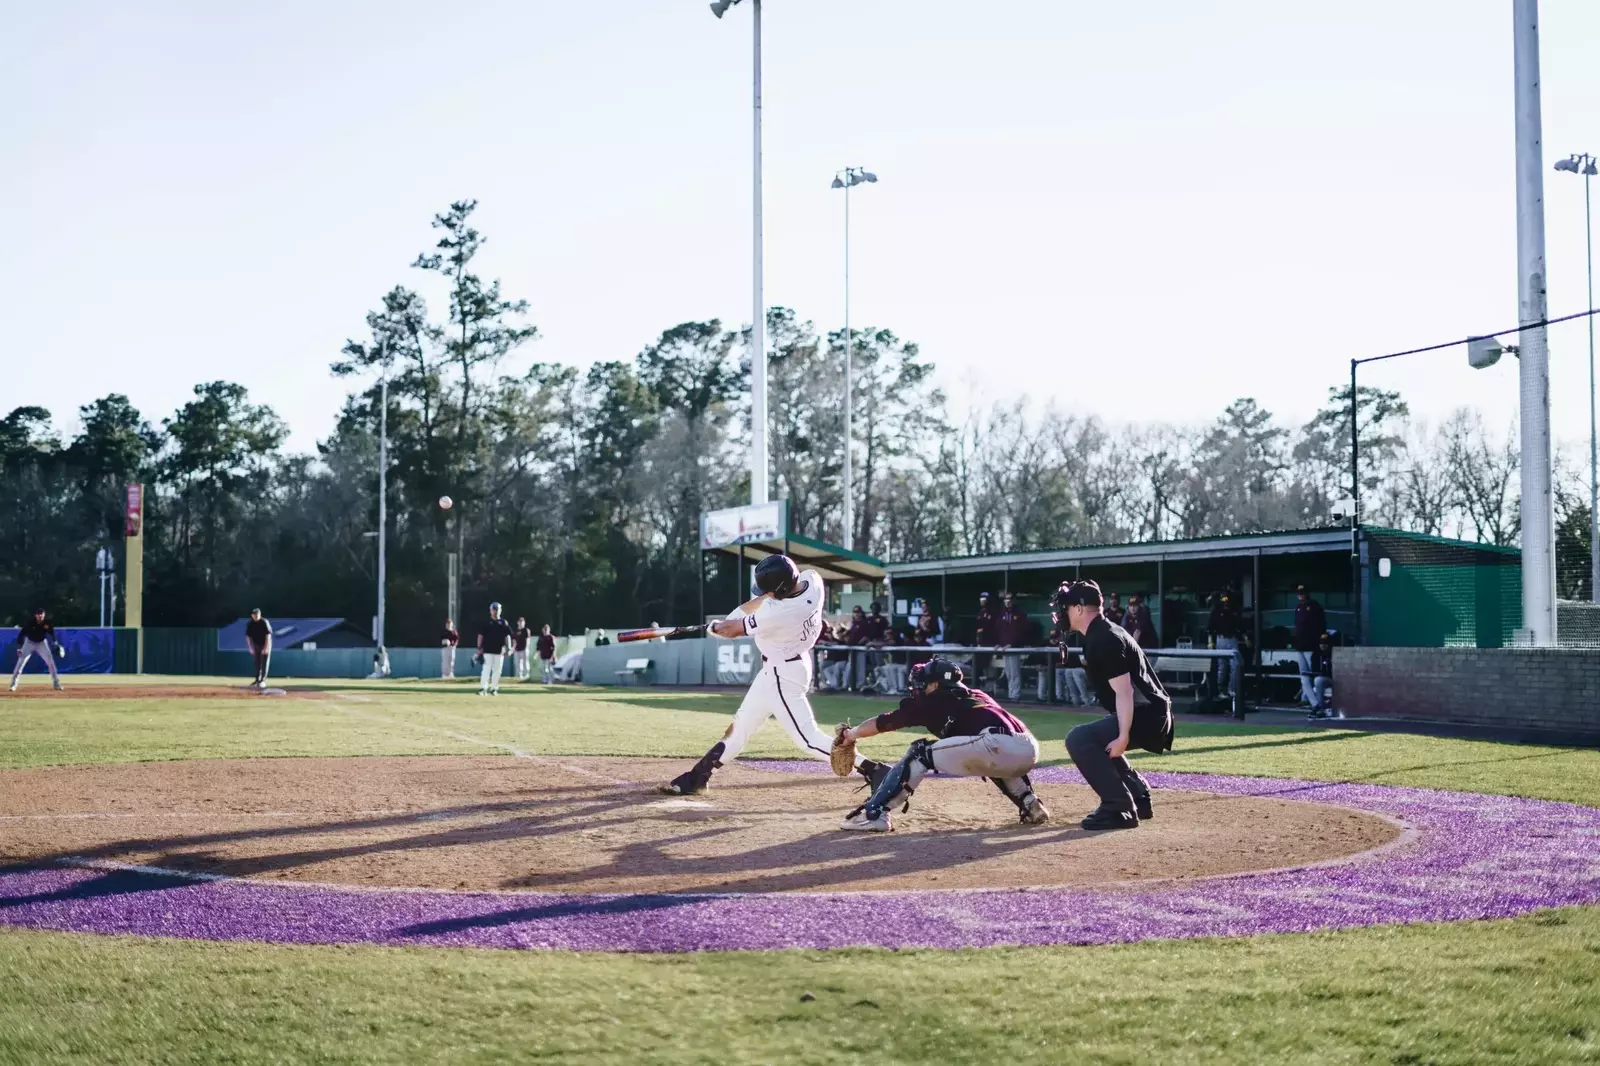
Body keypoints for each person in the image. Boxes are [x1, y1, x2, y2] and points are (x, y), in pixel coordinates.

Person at [658, 554, 889, 796]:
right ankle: (698, 776)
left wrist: (716, 628)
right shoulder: (813, 580)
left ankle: (873, 770)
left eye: (769, 590)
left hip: (783, 674)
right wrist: (733, 617)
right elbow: (758, 603)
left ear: (780, 589)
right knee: (741, 726)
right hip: (785, 666)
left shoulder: (780, 613)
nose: (765, 594)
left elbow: (732, 630)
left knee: (807, 739)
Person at [836, 657, 1049, 831]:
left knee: (920, 753)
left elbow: (882, 723)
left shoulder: (931, 701)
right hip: (1028, 748)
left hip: (995, 744)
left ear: (935, 684)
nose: (917, 688)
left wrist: (851, 734)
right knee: (990, 757)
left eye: (922, 683)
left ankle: (875, 814)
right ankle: (1030, 803)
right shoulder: (977, 695)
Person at [1055, 579, 1174, 831]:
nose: (1062, 613)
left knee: (1079, 739)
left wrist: (1122, 736)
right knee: (1095, 739)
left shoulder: (1104, 638)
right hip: (1150, 712)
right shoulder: (1101, 632)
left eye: (1066, 607)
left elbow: (1124, 693)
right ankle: (1138, 796)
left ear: (1079, 608)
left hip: (1148, 715)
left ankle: (1119, 807)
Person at [10, 607, 64, 692]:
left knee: (51, 663)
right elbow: (21, 634)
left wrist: (55, 643)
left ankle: (56, 684)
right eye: (38, 614)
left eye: (41, 614)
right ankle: (13, 685)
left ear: (44, 615)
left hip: (42, 643)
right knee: (20, 663)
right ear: (35, 615)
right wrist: (19, 648)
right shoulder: (30, 623)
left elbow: (52, 633)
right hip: (29, 643)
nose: (40, 616)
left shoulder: (47, 623)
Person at [1293, 585, 1327, 708]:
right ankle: (1315, 704)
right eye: (1298, 593)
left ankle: (1318, 702)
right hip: (1300, 646)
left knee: (1315, 675)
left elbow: (1322, 626)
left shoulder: (1315, 607)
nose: (1300, 595)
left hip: (1312, 647)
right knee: (1304, 676)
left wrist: (1320, 643)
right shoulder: (1298, 608)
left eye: (1302, 593)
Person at [994, 591, 1029, 702]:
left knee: (1015, 673)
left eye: (1010, 599)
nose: (1008, 602)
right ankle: (1011, 693)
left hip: (1014, 648)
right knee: (1008, 673)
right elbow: (999, 631)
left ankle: (1015, 695)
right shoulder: (1002, 614)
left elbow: (1021, 632)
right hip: (1004, 648)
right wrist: (999, 643)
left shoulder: (1020, 614)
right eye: (1006, 599)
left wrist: (1012, 644)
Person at [1207, 592, 1242, 703]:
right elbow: (1210, 628)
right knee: (1222, 667)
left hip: (1232, 639)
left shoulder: (1234, 611)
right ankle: (1220, 691)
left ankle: (1232, 690)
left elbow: (1239, 626)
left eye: (1227, 599)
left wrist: (1245, 637)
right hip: (1220, 639)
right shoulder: (1216, 612)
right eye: (1223, 599)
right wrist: (1210, 641)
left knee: (1235, 666)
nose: (1225, 601)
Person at [477, 602, 513, 696]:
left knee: (497, 670)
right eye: (494, 609)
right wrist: (479, 647)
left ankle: (494, 688)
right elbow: (480, 635)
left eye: (497, 609)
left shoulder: (504, 623)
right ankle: (483, 688)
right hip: (487, 650)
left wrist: (508, 648)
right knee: (486, 669)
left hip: (500, 650)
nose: (496, 611)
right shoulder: (486, 622)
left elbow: (507, 635)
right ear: (491, 610)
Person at [1308, 632, 1337, 719]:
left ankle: (1320, 707)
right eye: (1321, 643)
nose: (1322, 645)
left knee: (1318, 680)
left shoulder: (1334, 653)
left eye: (1325, 643)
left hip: (1335, 678)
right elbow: (1314, 670)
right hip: (1323, 678)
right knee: (1316, 680)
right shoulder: (1316, 654)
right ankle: (1319, 707)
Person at [244, 608, 272, 690]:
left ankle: (263, 680)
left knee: (265, 662)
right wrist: (250, 647)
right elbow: (248, 637)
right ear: (252, 615)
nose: (256, 616)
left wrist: (266, 647)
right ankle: (257, 680)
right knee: (257, 662)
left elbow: (268, 635)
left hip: (266, 643)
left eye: (257, 614)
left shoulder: (264, 622)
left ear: (260, 614)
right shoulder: (250, 624)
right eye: (254, 614)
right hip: (256, 644)